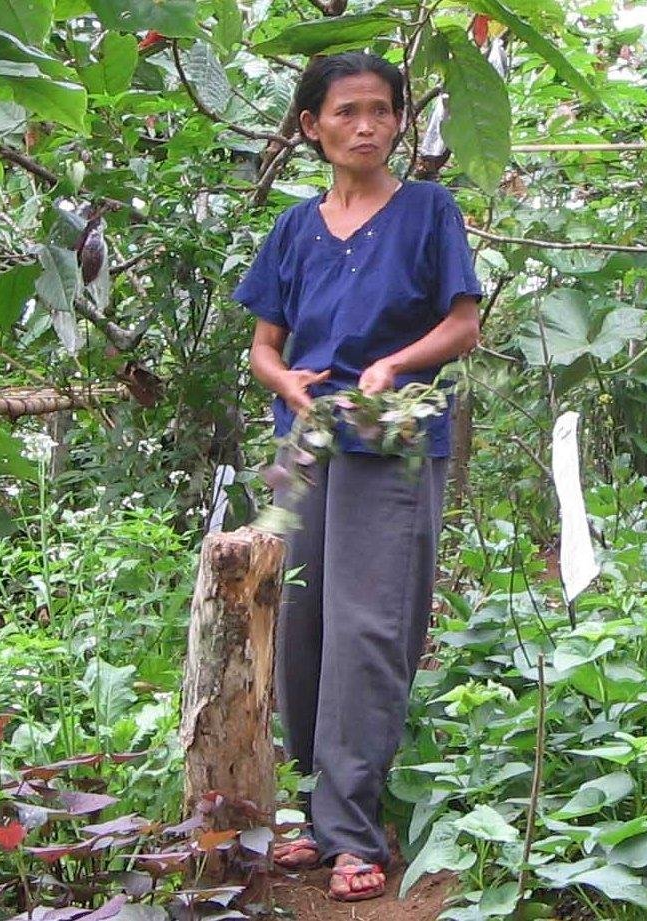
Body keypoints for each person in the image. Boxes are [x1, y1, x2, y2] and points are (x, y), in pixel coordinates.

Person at [233, 52, 482, 902]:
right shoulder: (296, 228)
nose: (365, 125)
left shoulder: (426, 211)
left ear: (399, 122)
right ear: (311, 126)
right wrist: (284, 380)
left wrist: (393, 365)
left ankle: (354, 827)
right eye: (345, 111)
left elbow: (461, 324)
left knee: (367, 626)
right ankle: (315, 810)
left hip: (394, 438)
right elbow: (264, 343)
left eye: (380, 110)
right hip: (305, 443)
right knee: (299, 625)